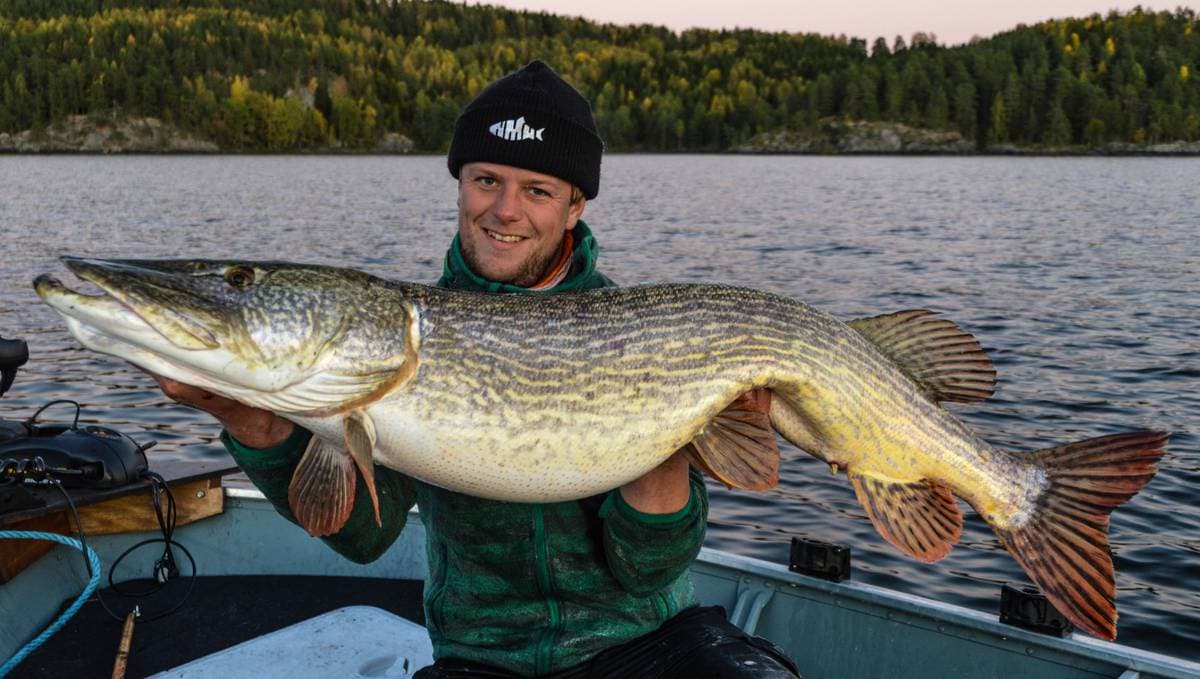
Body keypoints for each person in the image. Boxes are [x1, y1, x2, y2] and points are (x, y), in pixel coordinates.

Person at [153, 61, 799, 678]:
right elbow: (363, 538)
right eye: (487, 179)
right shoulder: (395, 343)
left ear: (574, 206)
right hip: (485, 658)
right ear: (460, 184)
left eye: (536, 190)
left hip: (649, 639)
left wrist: (667, 442)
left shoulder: (644, 331)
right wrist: (255, 426)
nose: (505, 210)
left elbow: (646, 572)